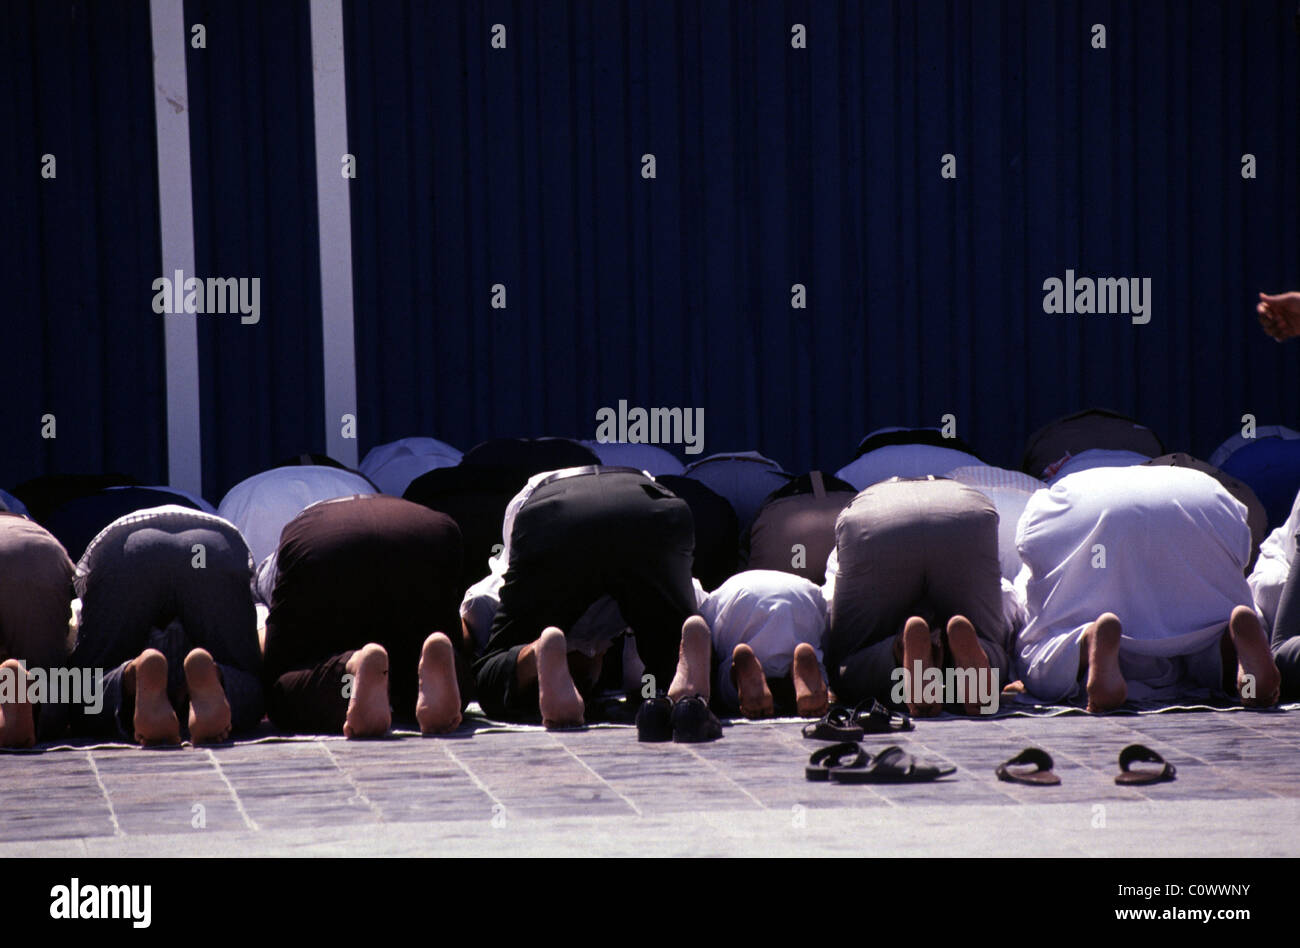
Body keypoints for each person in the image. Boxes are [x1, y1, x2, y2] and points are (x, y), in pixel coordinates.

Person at [1013, 466, 1280, 711]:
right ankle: (1230, 641)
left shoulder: (1043, 495)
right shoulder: (1183, 474)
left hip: (1087, 512)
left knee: (1038, 653)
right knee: (1204, 632)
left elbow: (1025, 577)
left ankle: (1088, 639)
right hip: (1197, 500)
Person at [472, 465, 707, 727]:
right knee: (677, 644)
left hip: (557, 511)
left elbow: (499, 583)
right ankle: (685, 684)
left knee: (489, 679)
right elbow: (693, 595)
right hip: (647, 504)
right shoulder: (614, 624)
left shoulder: (498, 583)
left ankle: (537, 650)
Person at [261, 494, 470, 737]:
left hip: (320, 544)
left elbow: (273, 646)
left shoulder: (296, 528)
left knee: (282, 689)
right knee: (432, 656)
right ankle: (444, 669)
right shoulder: (399, 504)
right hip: (425, 533)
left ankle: (351, 670)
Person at [62, 506, 264, 746]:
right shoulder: (200, 505)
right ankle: (218, 676)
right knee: (248, 676)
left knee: (81, 692)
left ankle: (133, 675)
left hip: (130, 550)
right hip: (207, 548)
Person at [825, 476, 1015, 716]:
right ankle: (980, 659)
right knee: (989, 639)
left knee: (848, 663)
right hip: (965, 513)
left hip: (874, 520)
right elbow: (1010, 597)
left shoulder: (865, 508)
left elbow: (830, 602)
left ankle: (898, 650)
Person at [699, 569, 829, 719]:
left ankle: (735, 674)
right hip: (800, 596)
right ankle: (799, 673)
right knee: (817, 656)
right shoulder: (810, 586)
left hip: (739, 599)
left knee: (721, 675)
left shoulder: (715, 594)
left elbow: (705, 631)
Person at [0, 513, 76, 748]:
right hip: (41, 551)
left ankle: (6, 714)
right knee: (52, 683)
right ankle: (36, 713)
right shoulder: (28, 523)